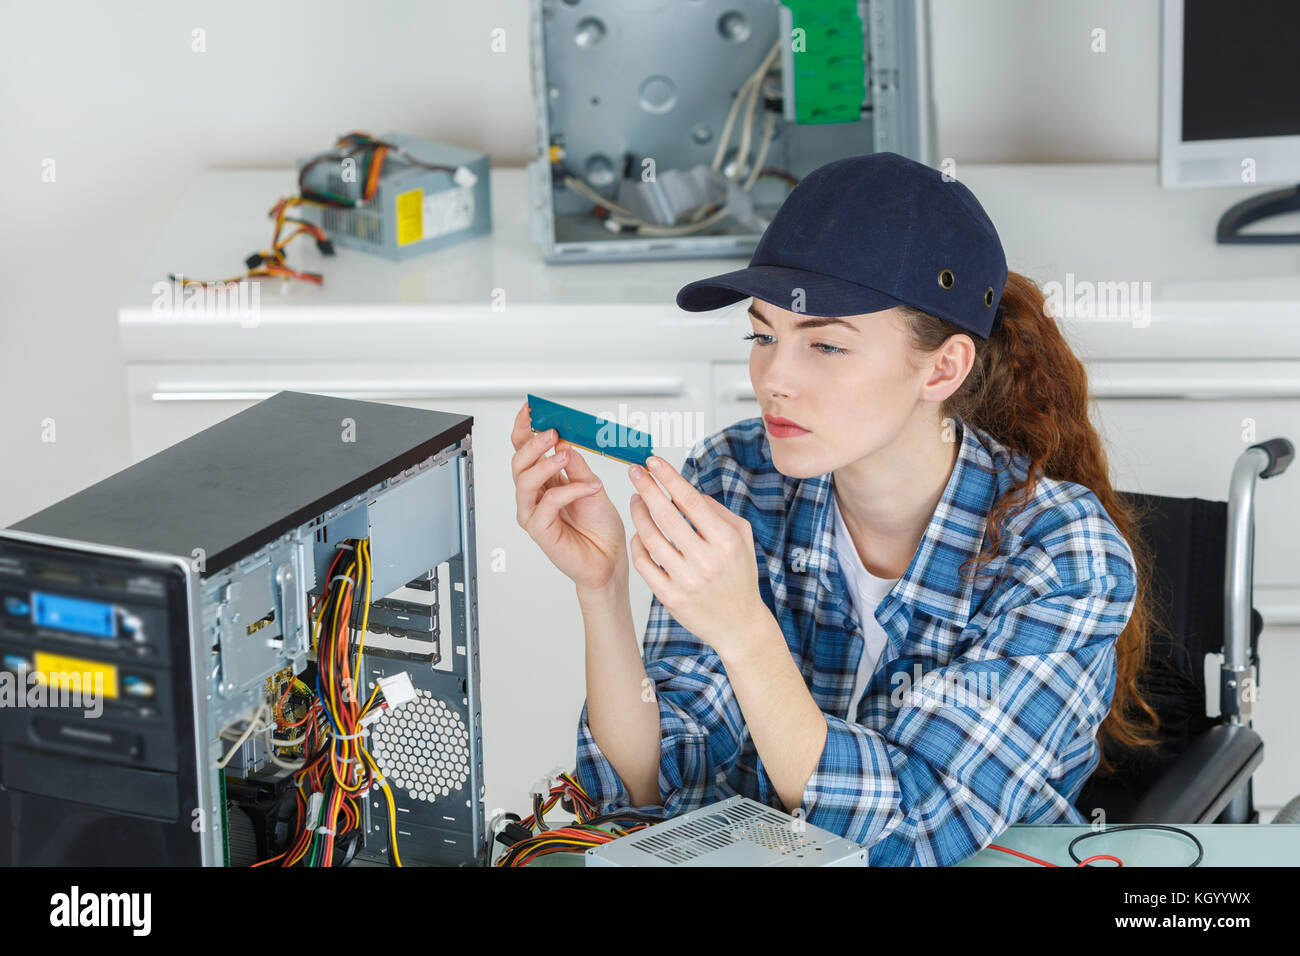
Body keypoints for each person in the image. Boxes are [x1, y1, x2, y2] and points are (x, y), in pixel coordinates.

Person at [508, 152, 1161, 866]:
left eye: (824, 343)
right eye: (762, 335)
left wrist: (746, 631)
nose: (774, 379)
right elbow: (655, 786)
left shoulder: (1063, 555)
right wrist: (600, 590)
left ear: (942, 367)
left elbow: (912, 837)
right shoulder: (736, 478)